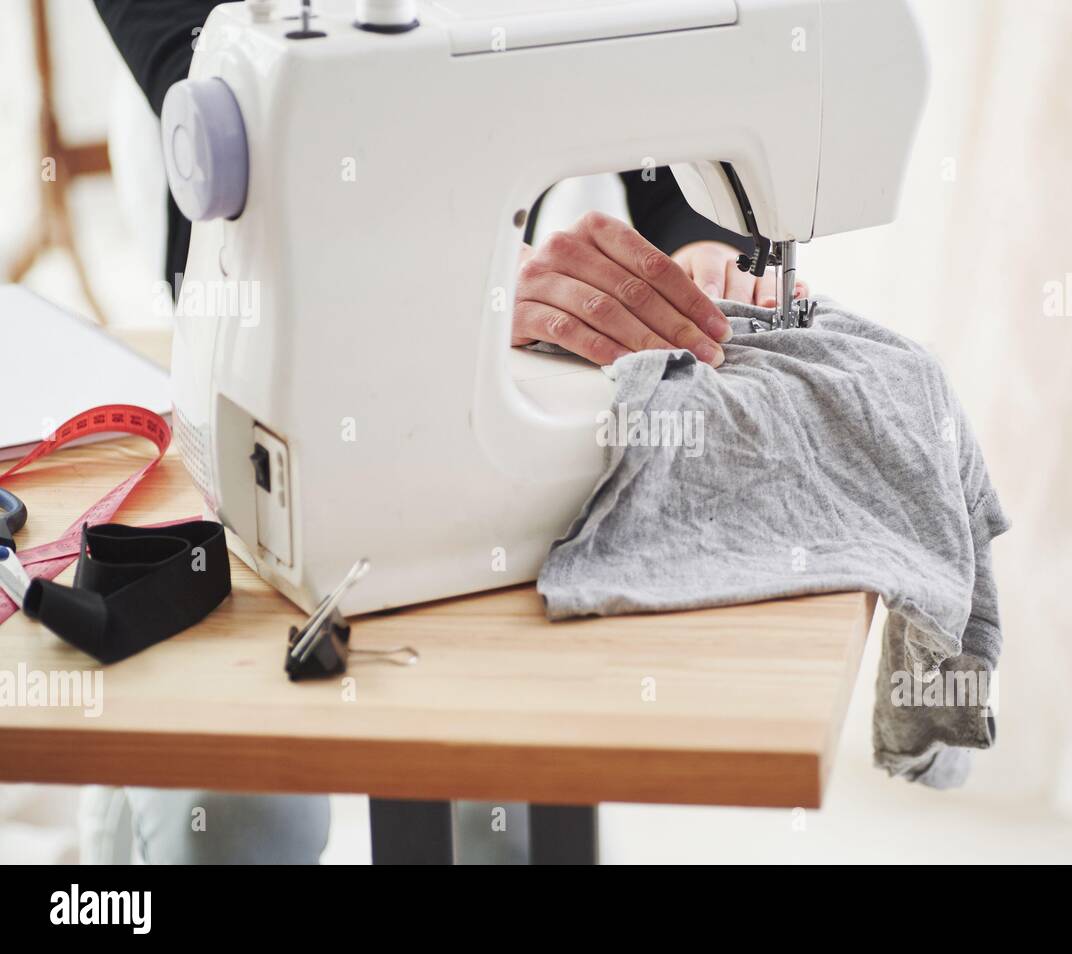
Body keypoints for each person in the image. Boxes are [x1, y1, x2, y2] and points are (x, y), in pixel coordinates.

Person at [93, 0, 806, 863]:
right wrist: (444, 275)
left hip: (476, 336)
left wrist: (695, 249)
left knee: (503, 787)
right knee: (230, 812)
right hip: (269, 311)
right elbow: (213, 70)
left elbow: (661, 68)